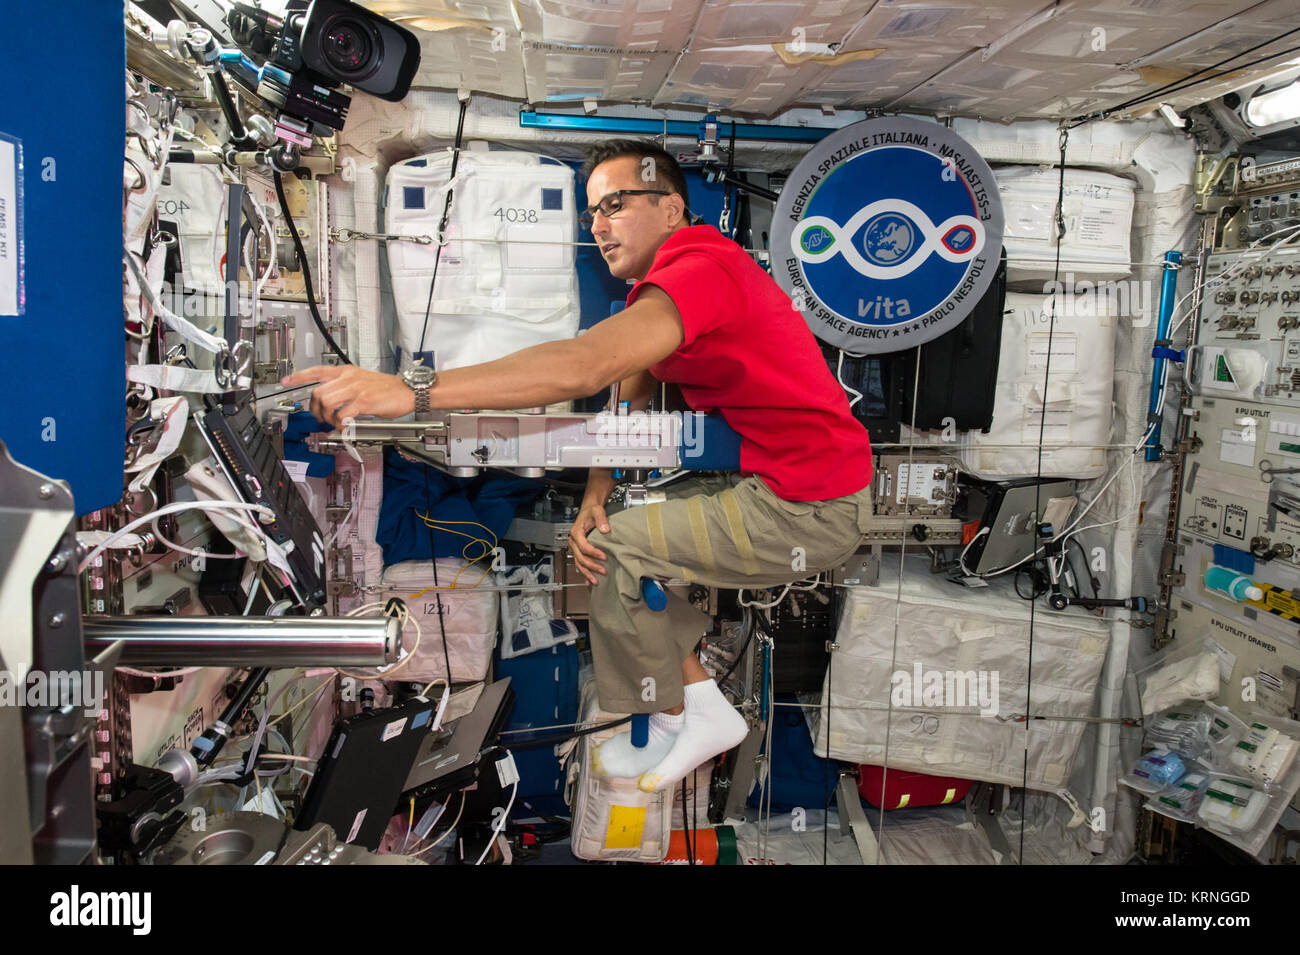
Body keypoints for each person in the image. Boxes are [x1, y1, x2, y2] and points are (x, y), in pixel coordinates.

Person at [282, 139, 873, 793]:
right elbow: (629, 381)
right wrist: (600, 483)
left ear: (673, 207)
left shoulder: (703, 267)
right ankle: (691, 706)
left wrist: (411, 391)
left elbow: (589, 363)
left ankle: (692, 711)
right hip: (782, 481)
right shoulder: (662, 291)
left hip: (811, 505)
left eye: (616, 204)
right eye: (592, 212)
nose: (598, 224)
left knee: (617, 551)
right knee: (604, 532)